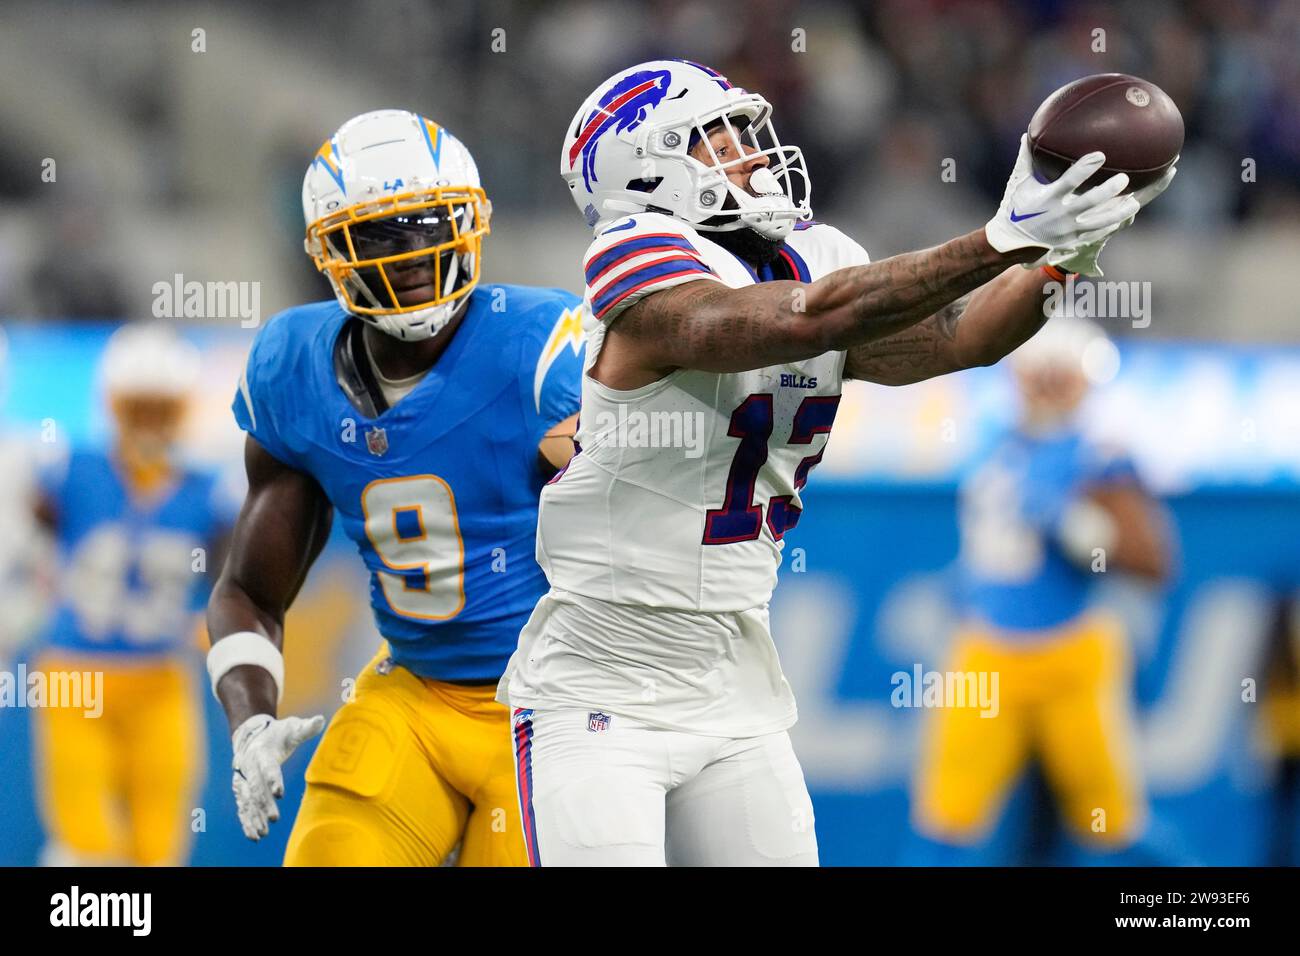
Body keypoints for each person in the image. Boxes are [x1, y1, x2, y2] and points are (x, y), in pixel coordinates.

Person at [497, 58, 1175, 866]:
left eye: (748, 132)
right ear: (645, 169)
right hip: (599, 682)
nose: (754, 152)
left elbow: (962, 336)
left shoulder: (814, 256)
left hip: (734, 674)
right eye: (721, 139)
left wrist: (1062, 254)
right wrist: (1000, 238)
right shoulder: (635, 260)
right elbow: (800, 320)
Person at [206, 110, 585, 866]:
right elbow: (248, 590)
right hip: (413, 692)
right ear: (330, 249)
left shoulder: (542, 350)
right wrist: (251, 721)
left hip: (558, 710)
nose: (411, 252)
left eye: (428, 224)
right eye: (379, 233)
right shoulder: (293, 366)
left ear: (470, 221)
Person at [910, 317, 1174, 861]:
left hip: (1068, 651)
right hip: (988, 651)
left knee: (1110, 824)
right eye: (1041, 372)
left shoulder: (1100, 454)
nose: (1050, 385)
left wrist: (1086, 531)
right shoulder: (993, 441)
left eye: (1062, 374)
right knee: (947, 818)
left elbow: (1155, 565)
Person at [33, 322, 230, 866]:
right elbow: (33, 537)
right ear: (114, 407)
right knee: (88, 843)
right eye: (138, 407)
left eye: (160, 408)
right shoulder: (73, 470)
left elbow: (235, 580)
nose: (149, 421)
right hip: (77, 674)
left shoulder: (207, 489)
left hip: (160, 677)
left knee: (158, 845)